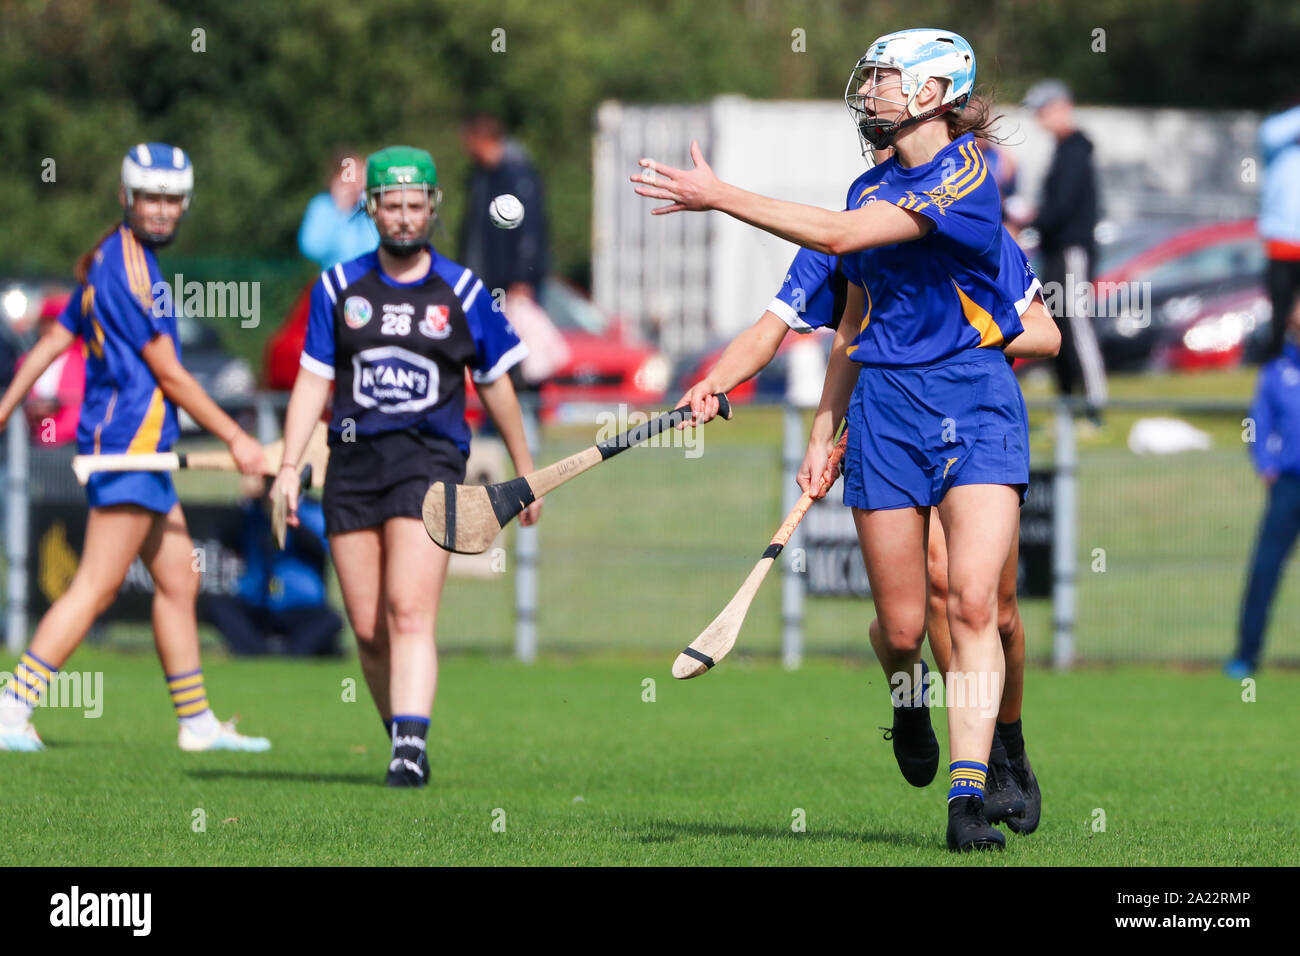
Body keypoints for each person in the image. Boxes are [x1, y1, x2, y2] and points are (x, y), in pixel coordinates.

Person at [634, 29, 1031, 850]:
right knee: (898, 628)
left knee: (971, 602)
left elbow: (844, 239)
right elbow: (804, 318)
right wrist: (722, 382)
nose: (871, 91)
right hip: (886, 412)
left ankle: (968, 798)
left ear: (929, 94)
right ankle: (906, 703)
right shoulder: (862, 192)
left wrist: (723, 195)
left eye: (885, 80)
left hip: (977, 401)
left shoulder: (968, 176)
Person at [270, 146, 541, 787]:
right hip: (353, 463)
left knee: (408, 609)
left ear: (431, 208)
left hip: (430, 461)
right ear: (371, 210)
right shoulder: (338, 289)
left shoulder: (465, 289)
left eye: (414, 206)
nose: (403, 217)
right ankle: (401, 738)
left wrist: (525, 472)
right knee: (367, 630)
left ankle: (410, 752)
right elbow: (312, 383)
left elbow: (498, 384)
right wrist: (287, 465)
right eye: (390, 206)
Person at [0, 143, 271, 752]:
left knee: (178, 580)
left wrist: (4, 405)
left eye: (172, 199)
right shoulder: (130, 273)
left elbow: (54, 339)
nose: (161, 210)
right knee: (95, 586)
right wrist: (238, 439)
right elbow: (172, 376)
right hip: (129, 448)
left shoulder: (109, 258)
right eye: (150, 197)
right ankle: (11, 708)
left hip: (140, 449)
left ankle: (196, 723)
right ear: (126, 197)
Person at [1020, 79, 1107, 427]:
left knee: (1077, 325)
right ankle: (1068, 405)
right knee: (1056, 323)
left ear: (1061, 107)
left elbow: (1062, 207)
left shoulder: (1074, 150)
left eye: (1044, 111)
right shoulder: (1062, 151)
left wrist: (1033, 223)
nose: (1040, 119)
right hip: (1056, 250)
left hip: (1072, 251)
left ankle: (1094, 408)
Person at [1229, 299, 1300, 677]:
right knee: (1264, 571)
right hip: (1288, 486)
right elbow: (1258, 425)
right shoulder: (1276, 373)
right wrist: (1266, 466)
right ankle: (1245, 655)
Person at [203, 474, 343, 657]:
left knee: (330, 620)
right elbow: (225, 538)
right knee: (219, 605)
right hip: (257, 603)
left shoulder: (311, 508)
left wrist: (285, 515)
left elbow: (318, 547)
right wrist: (244, 501)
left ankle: (293, 653)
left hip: (301, 606)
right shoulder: (251, 510)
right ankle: (254, 651)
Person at [1258, 99, 1300, 359]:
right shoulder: (1278, 147)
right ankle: (1277, 367)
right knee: (1280, 315)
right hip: (1282, 245)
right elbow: (1270, 133)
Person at [298, 150, 380, 271]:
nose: (358, 182)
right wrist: (341, 212)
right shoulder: (323, 206)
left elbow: (379, 245)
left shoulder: (373, 206)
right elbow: (312, 249)